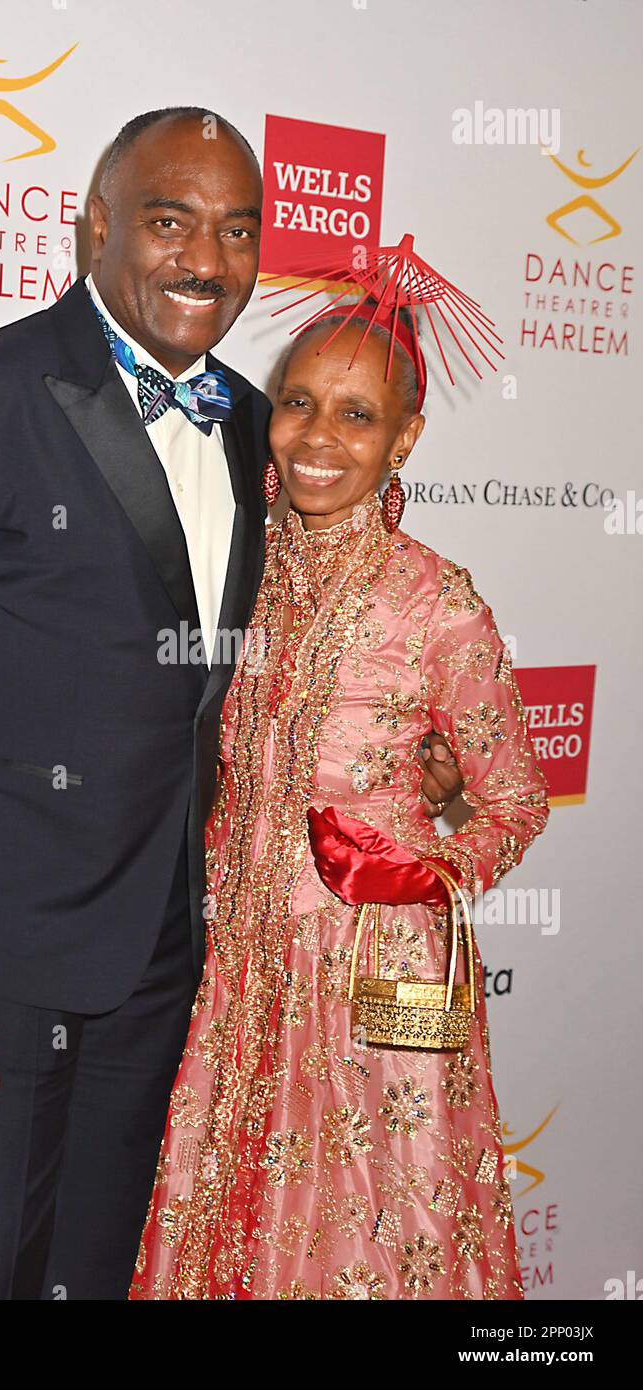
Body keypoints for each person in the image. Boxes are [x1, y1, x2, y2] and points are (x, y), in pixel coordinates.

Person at [0, 107, 463, 1301]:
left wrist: (416, 762)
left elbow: (259, 671)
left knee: (100, 1272)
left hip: (166, 962)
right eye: (171, 223)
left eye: (237, 230)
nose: (208, 262)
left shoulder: (242, 430)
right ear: (97, 227)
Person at [129, 299, 550, 1301]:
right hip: (235, 969)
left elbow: (518, 805)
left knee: (372, 1242)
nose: (319, 438)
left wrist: (429, 872)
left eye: (358, 417)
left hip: (379, 988)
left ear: (406, 438)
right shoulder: (237, 573)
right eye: (300, 404)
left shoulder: (439, 602)